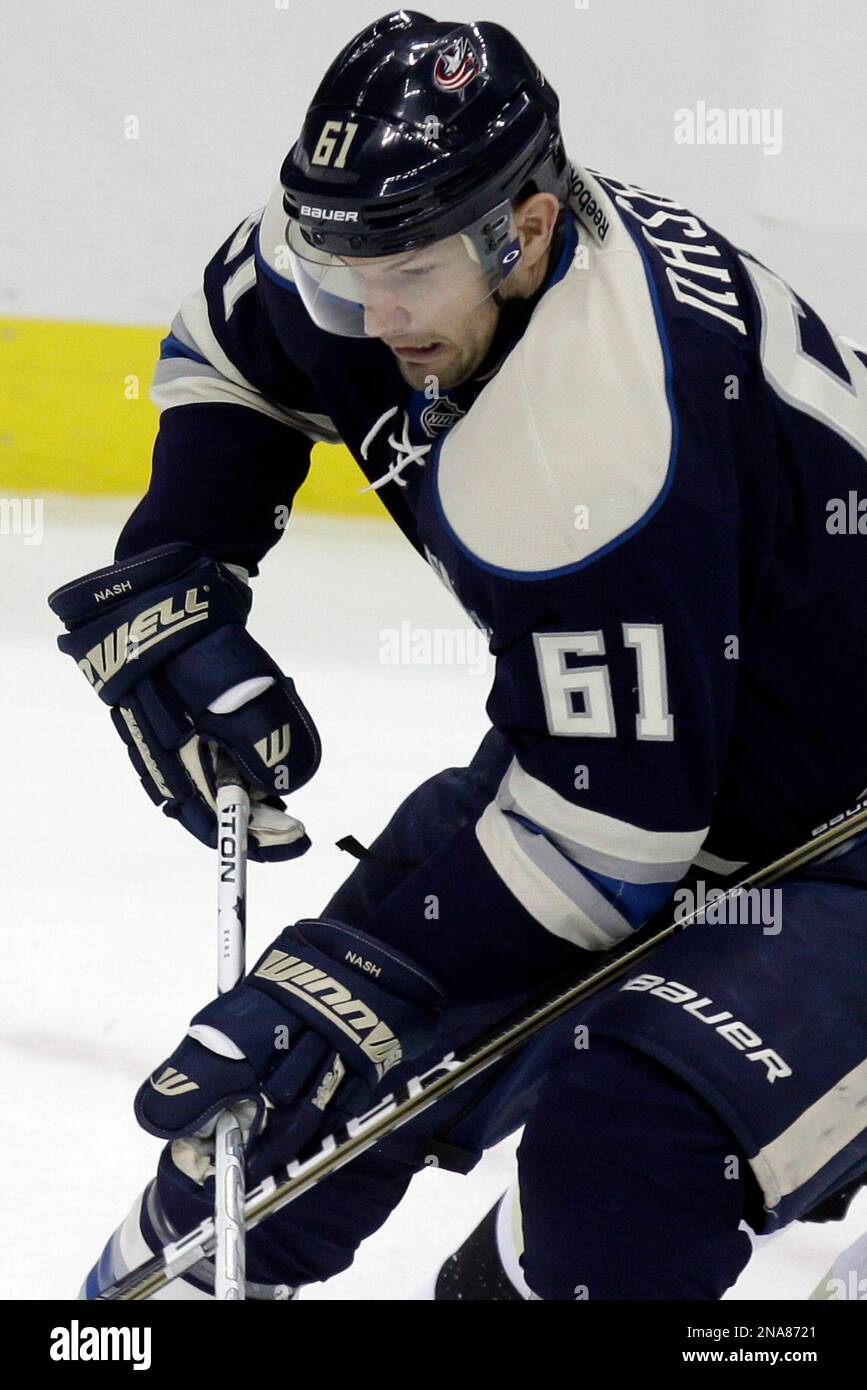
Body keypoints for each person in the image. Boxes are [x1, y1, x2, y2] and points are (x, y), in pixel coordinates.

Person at [49, 10, 867, 1300]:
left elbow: (615, 848)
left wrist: (364, 978)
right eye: (339, 270)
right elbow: (233, 346)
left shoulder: (601, 435)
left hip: (841, 835)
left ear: (526, 233)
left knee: (623, 1172)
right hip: (654, 754)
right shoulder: (385, 244)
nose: (367, 319)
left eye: (406, 279)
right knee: (263, 1134)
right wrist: (182, 563)